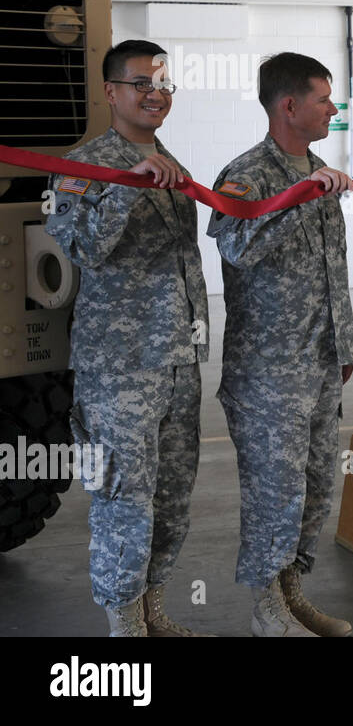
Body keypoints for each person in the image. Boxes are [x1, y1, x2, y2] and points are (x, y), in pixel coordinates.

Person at [45, 40, 209, 637]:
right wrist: (124, 187)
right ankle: (124, 626)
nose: (155, 94)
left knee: (171, 498)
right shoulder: (82, 167)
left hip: (176, 362)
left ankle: (152, 607)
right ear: (110, 91)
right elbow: (84, 249)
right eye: (141, 83)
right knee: (124, 500)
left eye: (163, 83)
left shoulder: (173, 164)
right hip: (120, 370)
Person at [208, 52, 353, 637]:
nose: (332, 108)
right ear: (289, 105)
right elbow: (238, 247)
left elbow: (328, 270)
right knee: (274, 493)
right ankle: (266, 606)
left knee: (316, 487)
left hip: (319, 364)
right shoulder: (246, 175)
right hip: (269, 374)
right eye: (323, 98)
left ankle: (293, 592)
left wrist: (343, 345)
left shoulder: (320, 169)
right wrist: (298, 197)